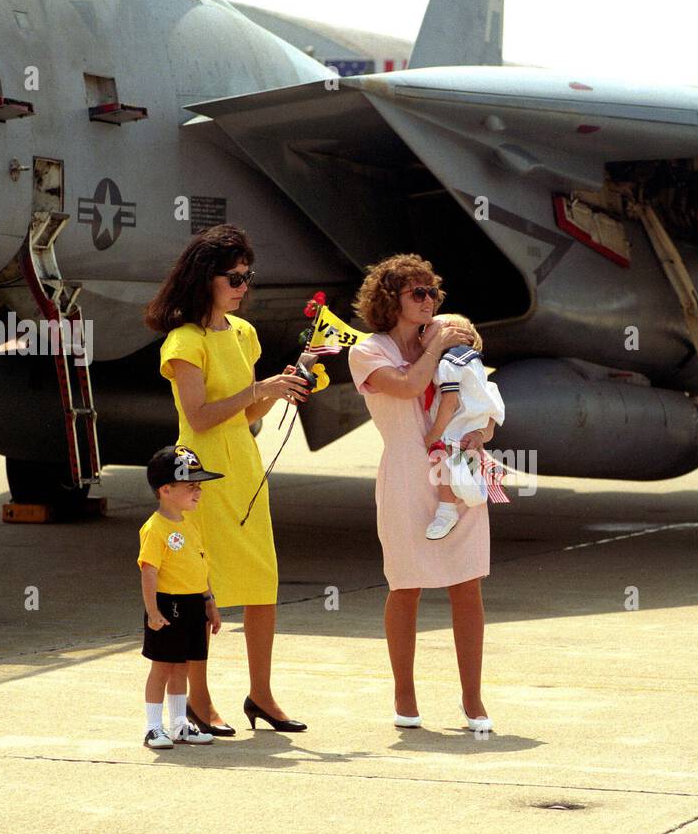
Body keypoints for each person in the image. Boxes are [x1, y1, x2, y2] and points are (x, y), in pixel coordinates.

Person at [144, 226, 311, 736]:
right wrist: (258, 388)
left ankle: (261, 694)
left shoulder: (243, 334)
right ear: (205, 278)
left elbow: (246, 411)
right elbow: (198, 416)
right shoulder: (183, 343)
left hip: (243, 464)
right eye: (233, 277)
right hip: (200, 472)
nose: (242, 285)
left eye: (247, 276)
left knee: (263, 582)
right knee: (199, 588)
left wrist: (281, 388)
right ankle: (198, 699)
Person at [348, 255, 499, 734]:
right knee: (405, 585)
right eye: (418, 293)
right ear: (391, 299)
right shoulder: (367, 352)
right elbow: (409, 384)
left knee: (468, 584)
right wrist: (435, 347)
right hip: (407, 473)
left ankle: (472, 698)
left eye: (433, 292)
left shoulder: (450, 343)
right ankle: (404, 694)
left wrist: (484, 433)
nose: (430, 301)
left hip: (458, 467)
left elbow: (481, 400)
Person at [137, 446, 222, 750]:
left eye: (199, 486)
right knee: (162, 666)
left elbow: (200, 564)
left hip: (192, 604)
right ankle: (152, 726)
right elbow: (149, 571)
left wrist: (209, 601)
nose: (198, 492)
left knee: (183, 666)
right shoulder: (155, 528)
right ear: (166, 490)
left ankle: (178, 725)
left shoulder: (190, 524)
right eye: (190, 486)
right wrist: (152, 611)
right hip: (167, 604)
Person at [422, 314, 506, 540]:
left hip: (457, 425)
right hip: (474, 421)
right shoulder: (471, 359)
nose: (423, 331)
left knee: (440, 461)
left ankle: (447, 510)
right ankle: (468, 489)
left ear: (450, 333)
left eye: (430, 328)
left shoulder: (449, 363)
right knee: (458, 468)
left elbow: (449, 402)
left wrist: (434, 433)